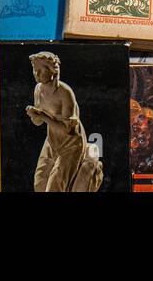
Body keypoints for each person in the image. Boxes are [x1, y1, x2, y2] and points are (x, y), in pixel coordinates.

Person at [25, 51, 103, 192]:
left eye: (41, 70)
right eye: (34, 70)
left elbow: (68, 129)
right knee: (39, 185)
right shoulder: (38, 89)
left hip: (71, 144)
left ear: (53, 71)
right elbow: (38, 122)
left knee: (55, 188)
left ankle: (92, 170)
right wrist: (35, 116)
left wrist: (42, 116)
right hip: (52, 140)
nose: (37, 74)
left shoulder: (65, 92)